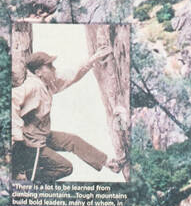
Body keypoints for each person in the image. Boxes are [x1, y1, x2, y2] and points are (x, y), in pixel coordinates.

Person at [11, 47, 124, 182]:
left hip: (42, 136)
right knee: (65, 168)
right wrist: (17, 136)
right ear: (38, 72)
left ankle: (110, 164)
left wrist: (92, 60)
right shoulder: (33, 86)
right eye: (49, 66)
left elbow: (71, 76)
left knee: (73, 141)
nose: (53, 69)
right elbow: (12, 100)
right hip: (32, 145)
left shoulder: (45, 84)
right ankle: (28, 177)